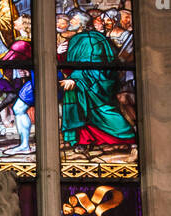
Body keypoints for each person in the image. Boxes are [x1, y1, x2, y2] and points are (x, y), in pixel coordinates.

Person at [58, 9, 136, 153]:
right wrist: (58, 53)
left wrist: (76, 80)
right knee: (77, 100)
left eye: (73, 20)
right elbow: (69, 64)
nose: (69, 22)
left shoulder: (91, 39)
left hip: (95, 84)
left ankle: (128, 138)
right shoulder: (76, 39)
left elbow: (93, 66)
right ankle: (83, 140)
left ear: (81, 23)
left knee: (102, 109)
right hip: (82, 82)